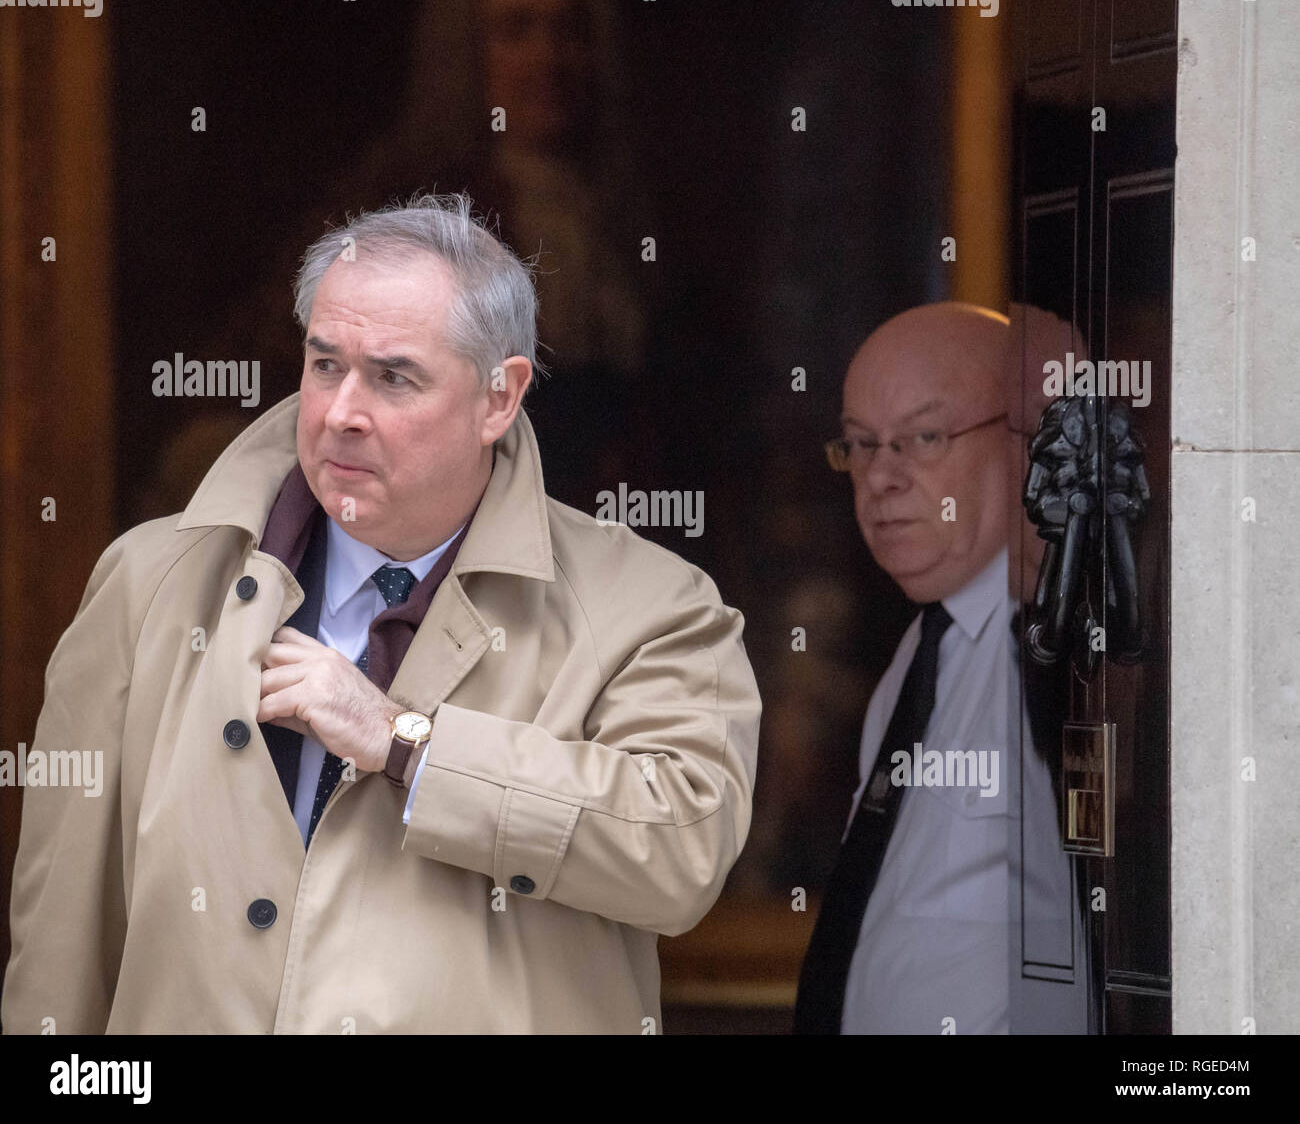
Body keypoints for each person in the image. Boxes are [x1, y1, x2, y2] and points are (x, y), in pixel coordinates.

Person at [2, 193, 761, 1035]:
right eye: (325, 365)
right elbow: (60, 942)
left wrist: (410, 746)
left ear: (498, 399)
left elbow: (682, 854)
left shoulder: (654, 607)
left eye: (393, 377)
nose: (340, 414)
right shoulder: (149, 584)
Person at [794, 301, 1087, 1035]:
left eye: (924, 437)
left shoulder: (1063, 654)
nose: (881, 478)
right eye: (860, 445)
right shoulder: (917, 657)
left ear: (1023, 441)